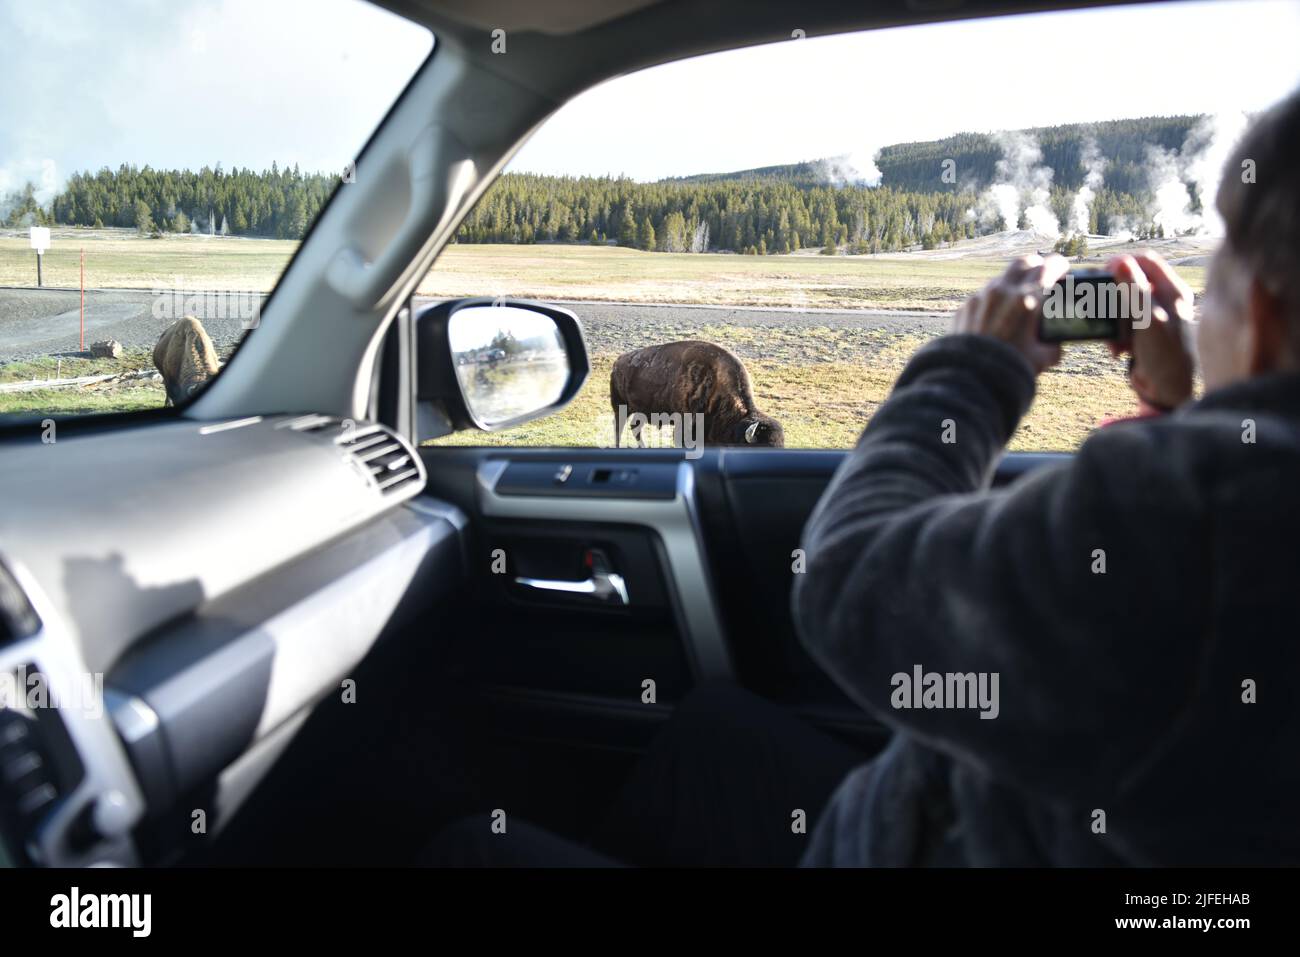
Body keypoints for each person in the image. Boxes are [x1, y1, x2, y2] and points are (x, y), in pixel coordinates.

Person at [429, 86, 1300, 867]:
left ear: (1256, 317)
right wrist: (1193, 404)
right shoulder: (1237, 494)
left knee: (467, 850)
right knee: (710, 728)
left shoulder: (1201, 506)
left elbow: (848, 582)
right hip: (980, 814)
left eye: (1212, 284)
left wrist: (972, 367)